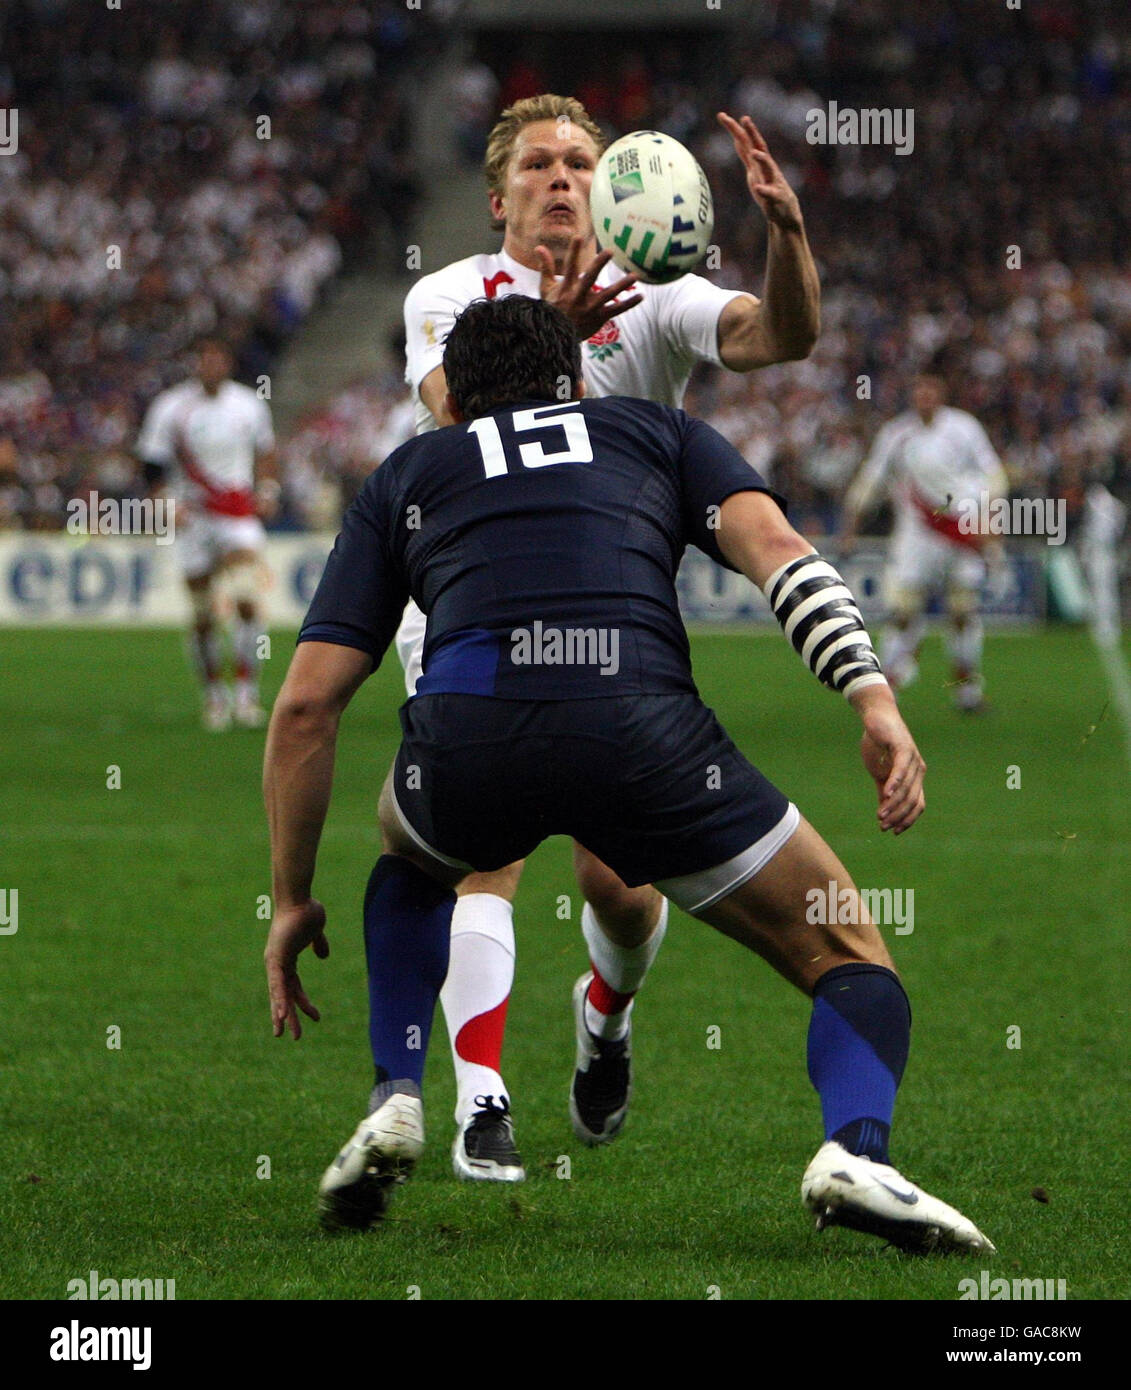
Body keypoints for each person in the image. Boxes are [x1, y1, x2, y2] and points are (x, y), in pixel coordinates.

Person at [262, 296, 994, 1255]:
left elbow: (309, 707)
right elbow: (780, 555)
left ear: (451, 402)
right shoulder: (654, 429)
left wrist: (290, 899)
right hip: (642, 736)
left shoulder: (410, 469)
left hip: (470, 742)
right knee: (849, 949)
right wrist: (871, 696)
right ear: (574, 382)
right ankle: (857, 1153)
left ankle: (398, 1091)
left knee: (413, 856)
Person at [397, 93, 821, 1180]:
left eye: (579, 161)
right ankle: (481, 1099)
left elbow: (781, 337)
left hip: (609, 620)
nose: (560, 177)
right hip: (470, 606)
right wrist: (554, 343)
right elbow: (455, 419)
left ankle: (607, 1019)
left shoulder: (660, 295)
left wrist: (788, 234)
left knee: (617, 884)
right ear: (499, 197)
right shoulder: (447, 296)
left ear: (611, 181)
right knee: (482, 855)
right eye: (537, 163)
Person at [838, 374, 1008, 712]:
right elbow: (871, 479)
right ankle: (886, 693)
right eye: (919, 390)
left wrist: (991, 516)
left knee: (962, 612)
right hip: (914, 537)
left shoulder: (964, 428)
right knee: (902, 613)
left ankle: (967, 692)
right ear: (913, 395)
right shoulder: (896, 433)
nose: (925, 396)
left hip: (959, 531)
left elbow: (993, 474)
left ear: (941, 393)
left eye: (931, 389)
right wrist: (850, 526)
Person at [137, 337, 279, 730]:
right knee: (202, 613)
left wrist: (268, 490)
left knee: (247, 597)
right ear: (195, 363)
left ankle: (247, 693)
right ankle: (215, 695)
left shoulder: (249, 403)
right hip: (194, 518)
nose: (211, 365)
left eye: (218, 358)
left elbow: (265, 452)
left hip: (237, 513)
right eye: (205, 359)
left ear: (227, 362)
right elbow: (152, 464)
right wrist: (166, 504)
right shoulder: (171, 407)